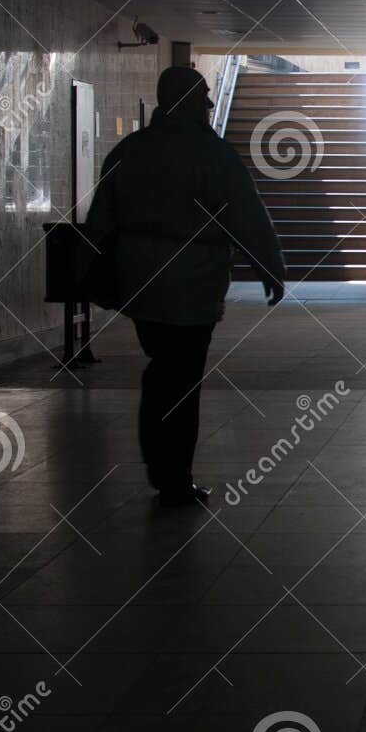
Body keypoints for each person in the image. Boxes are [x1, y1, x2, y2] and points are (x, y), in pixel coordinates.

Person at [84, 66, 285, 508]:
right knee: (183, 378)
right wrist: (270, 266)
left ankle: (162, 465)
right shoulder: (213, 156)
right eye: (204, 97)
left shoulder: (129, 151)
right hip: (193, 281)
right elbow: (246, 216)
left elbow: (100, 219)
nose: (211, 106)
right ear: (190, 102)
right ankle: (174, 475)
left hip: (140, 282)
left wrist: (92, 272)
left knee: (162, 366)